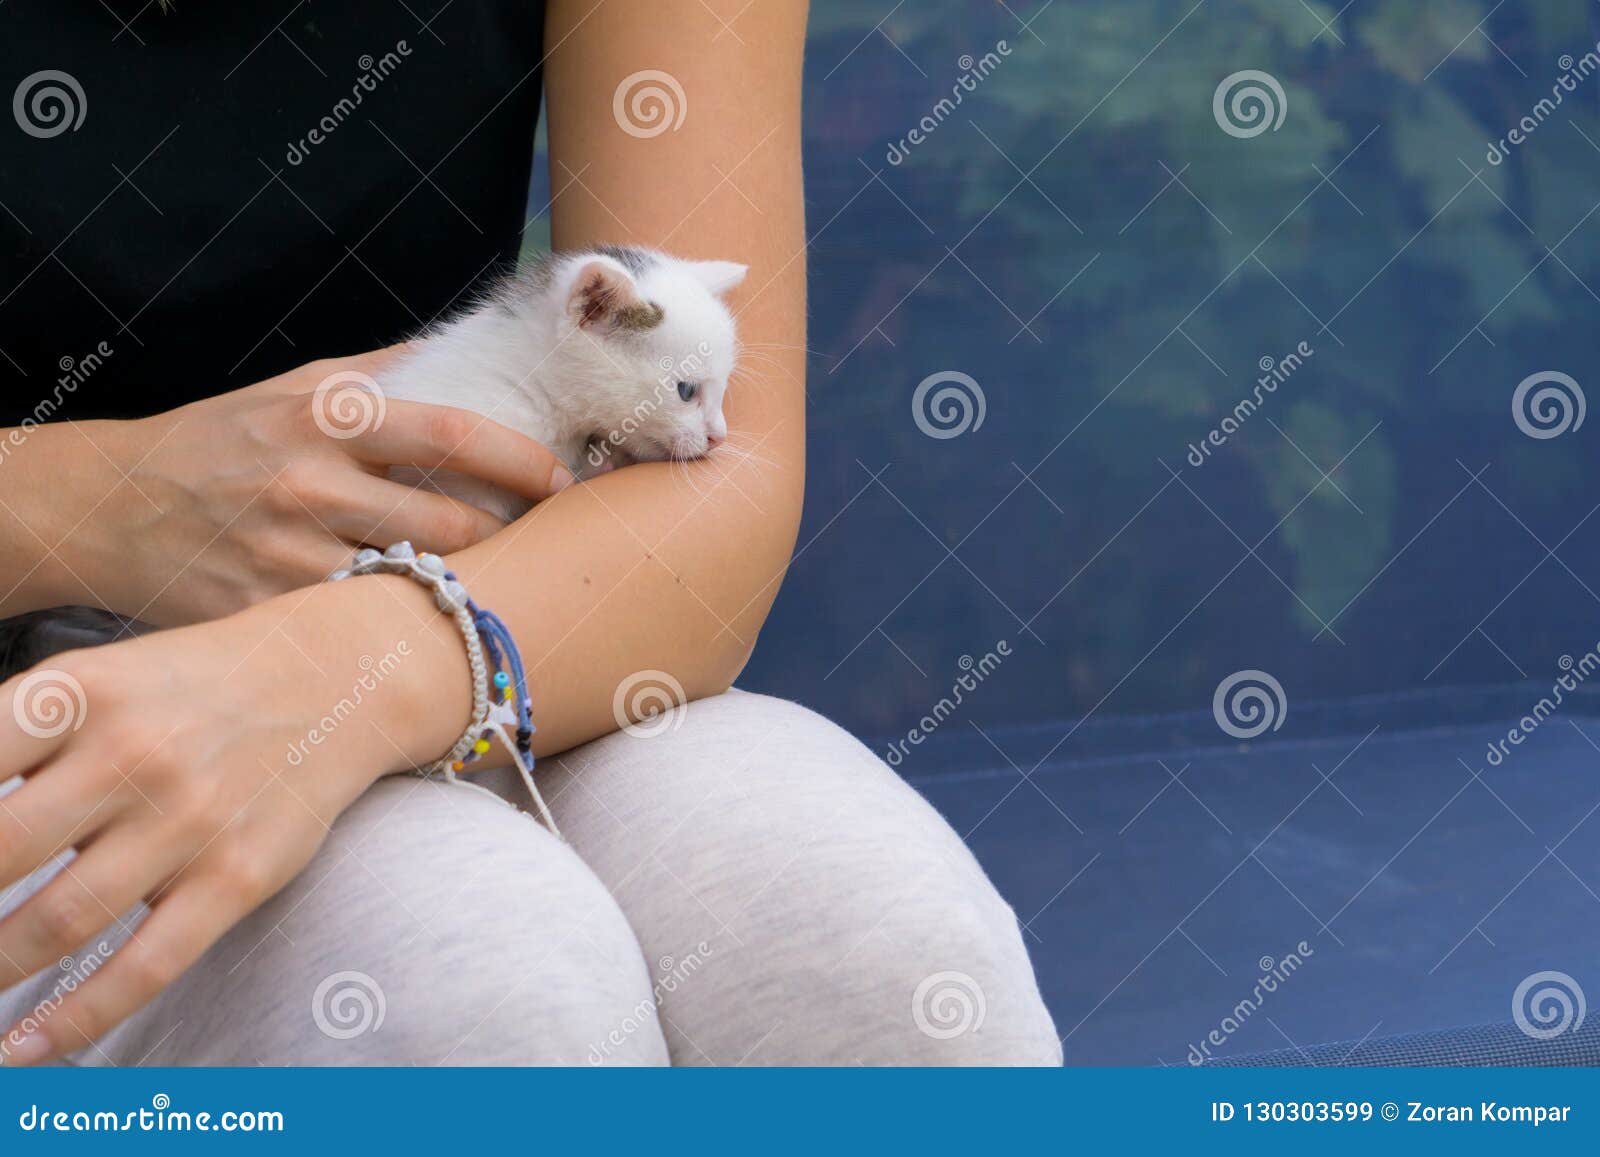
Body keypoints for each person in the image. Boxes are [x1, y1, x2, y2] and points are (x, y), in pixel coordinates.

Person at [0, 1, 1058, 1065]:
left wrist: (354, 666)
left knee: (890, 950)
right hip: (32, 666)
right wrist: (92, 501)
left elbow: (722, 488)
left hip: (486, 626)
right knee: (473, 992)